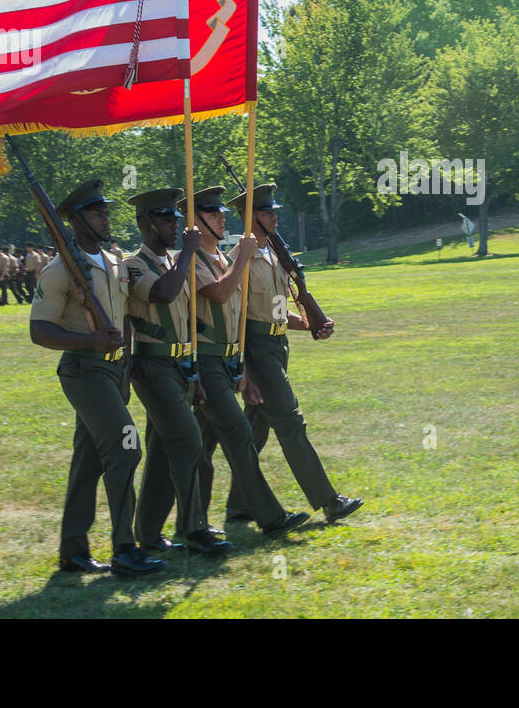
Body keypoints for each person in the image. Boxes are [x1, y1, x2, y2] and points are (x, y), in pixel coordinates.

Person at [28, 180, 165, 578]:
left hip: (116, 370)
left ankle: (73, 551)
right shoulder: (59, 271)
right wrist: (91, 339)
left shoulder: (116, 261)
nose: (106, 218)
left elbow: (127, 312)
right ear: (74, 220)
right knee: (126, 447)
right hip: (84, 369)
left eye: (106, 211)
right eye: (96, 212)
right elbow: (40, 331)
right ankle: (125, 549)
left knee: (89, 461)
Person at [224, 183, 363, 525]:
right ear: (248, 217)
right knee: (290, 421)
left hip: (278, 344)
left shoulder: (272, 254)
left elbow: (276, 310)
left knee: (258, 427)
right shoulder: (240, 259)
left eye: (274, 211)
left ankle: (239, 505)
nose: (274, 216)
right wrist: (244, 368)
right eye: (267, 211)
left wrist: (312, 323)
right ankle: (328, 500)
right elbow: (235, 316)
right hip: (256, 349)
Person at [188, 185, 310, 536]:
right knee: (229, 436)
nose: (221, 217)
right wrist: (242, 256)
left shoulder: (225, 260)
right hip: (205, 362)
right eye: (212, 214)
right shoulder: (216, 260)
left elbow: (242, 317)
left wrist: (242, 369)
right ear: (195, 223)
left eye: (220, 212)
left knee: (203, 442)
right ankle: (267, 516)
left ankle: (200, 520)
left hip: (229, 362)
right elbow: (221, 295)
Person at [124, 188, 232, 558]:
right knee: (188, 440)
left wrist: (196, 372)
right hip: (153, 365)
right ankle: (193, 527)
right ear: (144, 224)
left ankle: (149, 531)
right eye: (165, 219)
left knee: (161, 451)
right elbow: (164, 295)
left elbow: (187, 321)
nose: (175, 225)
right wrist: (187, 250)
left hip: (184, 365)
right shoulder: (133, 264)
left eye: (175, 218)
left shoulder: (177, 261)